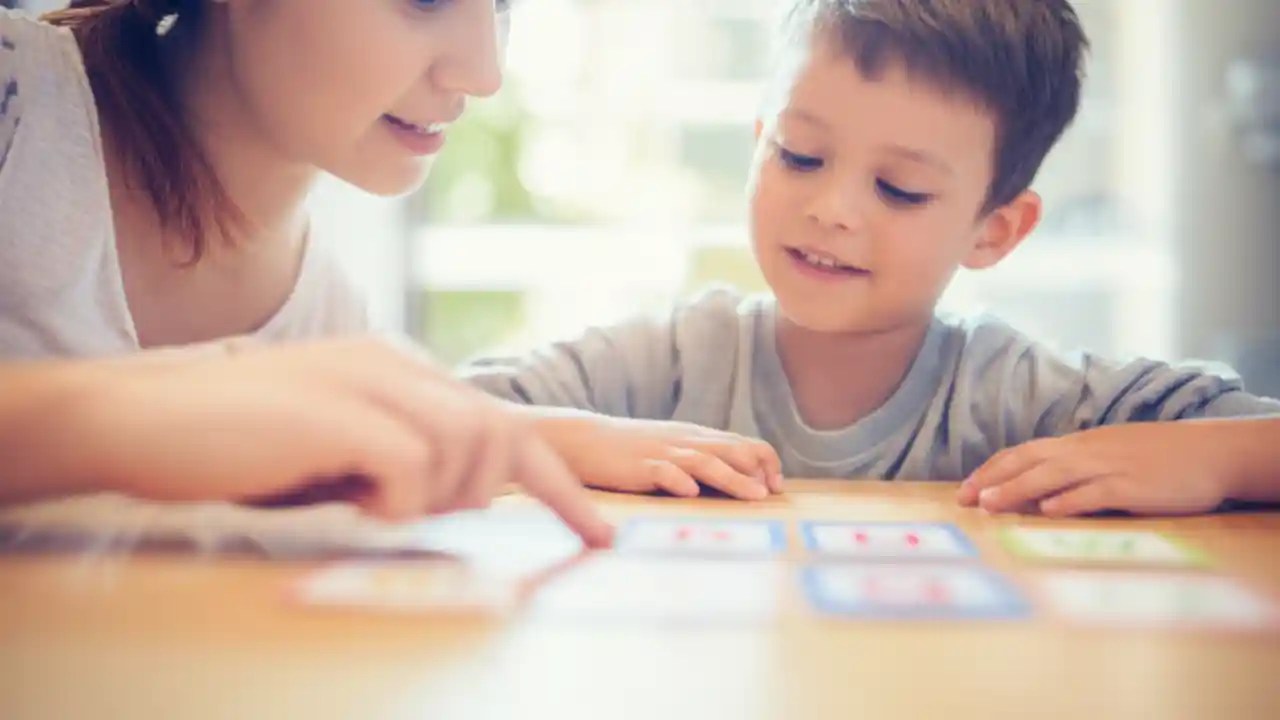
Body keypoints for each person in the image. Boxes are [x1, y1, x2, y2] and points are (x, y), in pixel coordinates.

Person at [464, 0, 1280, 516]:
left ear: (993, 230)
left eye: (900, 188)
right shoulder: (672, 359)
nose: (832, 210)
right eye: (800, 156)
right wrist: (571, 439)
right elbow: (423, 419)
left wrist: (1212, 457)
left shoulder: (1017, 392)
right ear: (759, 145)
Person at [0, 0, 618, 546]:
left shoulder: (332, 323)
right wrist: (163, 411)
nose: (485, 74)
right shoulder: (17, 100)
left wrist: (519, 438)